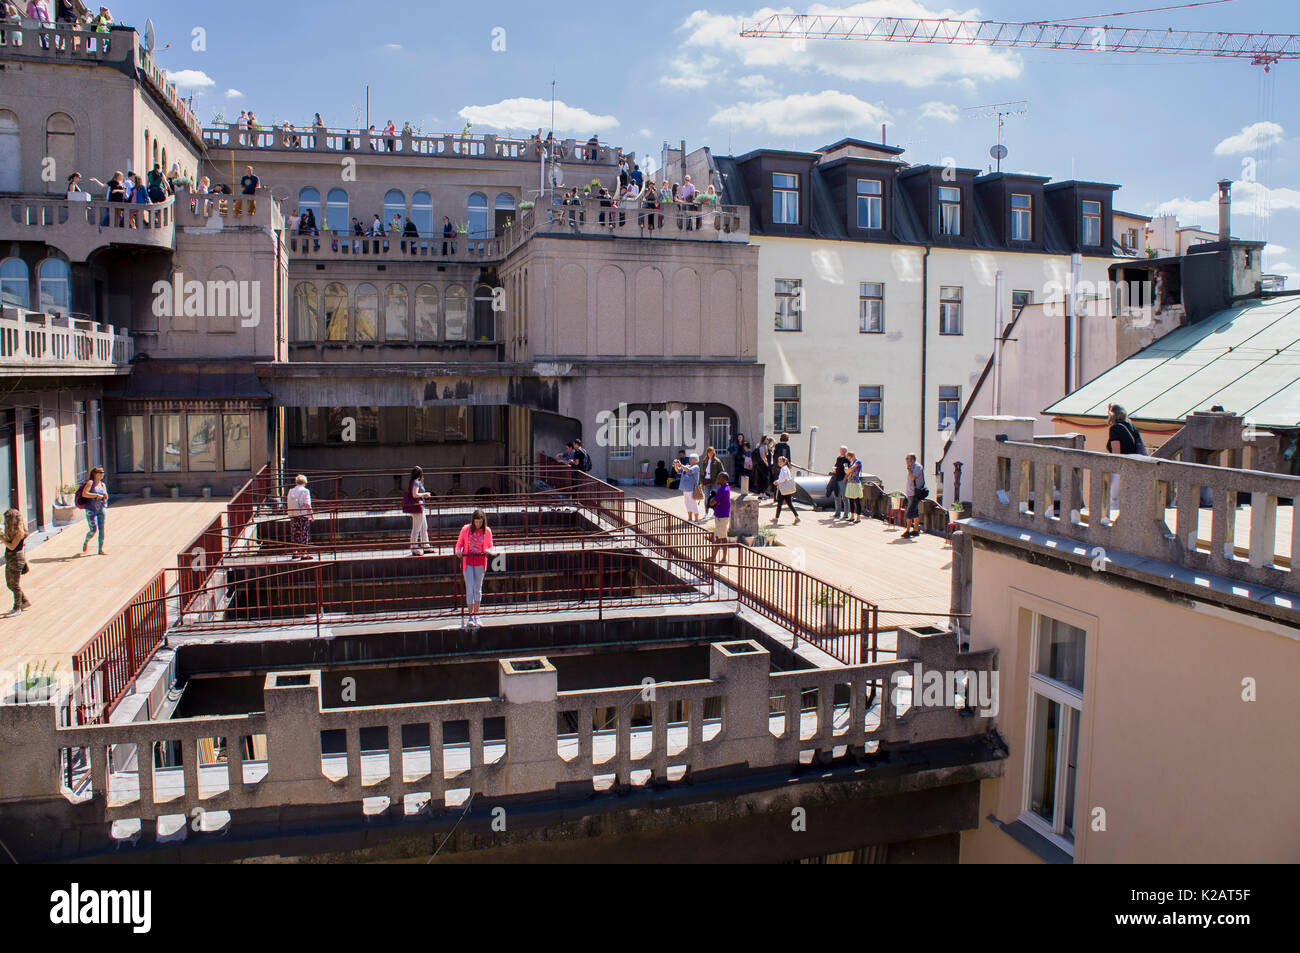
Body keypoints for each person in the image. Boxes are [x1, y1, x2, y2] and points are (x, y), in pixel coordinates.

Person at [454, 509, 494, 628]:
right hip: (468, 562)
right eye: (476, 522)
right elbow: (459, 543)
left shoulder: (487, 531)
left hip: (480, 563)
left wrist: (488, 551)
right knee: (470, 588)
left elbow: (490, 545)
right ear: (473, 521)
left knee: (478, 589)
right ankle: (470, 616)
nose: (478, 525)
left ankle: (477, 615)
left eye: (480, 522)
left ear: (483, 522)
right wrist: (458, 551)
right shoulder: (466, 529)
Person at [1106, 403, 1146, 515]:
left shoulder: (1115, 429)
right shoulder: (1132, 427)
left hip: (1122, 466)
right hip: (1135, 464)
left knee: (1114, 499)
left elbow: (1116, 452)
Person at [3, 508, 32, 617]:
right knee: (10, 584)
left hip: (16, 559)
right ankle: (25, 601)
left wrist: (2, 539)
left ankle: (17, 608)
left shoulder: (19, 532)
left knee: (14, 585)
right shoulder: (14, 530)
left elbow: (12, 546)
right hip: (11, 558)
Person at [77, 466, 108, 555]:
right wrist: (96, 495)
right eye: (100, 473)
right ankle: (86, 542)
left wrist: (105, 498)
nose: (102, 474)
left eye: (103, 472)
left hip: (101, 508)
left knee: (102, 529)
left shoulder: (102, 484)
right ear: (95, 474)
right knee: (93, 530)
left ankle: (100, 549)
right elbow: (84, 493)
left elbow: (105, 494)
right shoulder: (90, 483)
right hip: (90, 509)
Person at [403, 466, 432, 555]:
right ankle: (414, 548)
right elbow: (415, 494)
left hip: (419, 508)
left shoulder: (413, 482)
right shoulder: (416, 482)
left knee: (424, 527)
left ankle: (426, 546)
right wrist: (425, 494)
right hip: (417, 508)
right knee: (417, 528)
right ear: (420, 474)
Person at [286, 473, 314, 559]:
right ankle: (303, 554)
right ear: (305, 482)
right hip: (303, 515)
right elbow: (307, 504)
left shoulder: (291, 491)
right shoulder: (305, 491)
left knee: (295, 533)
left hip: (294, 514)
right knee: (304, 533)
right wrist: (312, 515)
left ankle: (295, 552)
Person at [707, 472, 732, 564]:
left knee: (723, 538)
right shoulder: (725, 487)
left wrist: (713, 502)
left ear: (724, 479)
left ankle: (724, 559)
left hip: (722, 516)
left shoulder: (723, 490)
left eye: (719, 478)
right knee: (718, 537)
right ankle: (713, 557)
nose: (717, 479)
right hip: (720, 515)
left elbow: (712, 502)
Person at [902, 453, 927, 539]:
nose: (906, 460)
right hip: (910, 493)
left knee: (909, 512)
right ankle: (916, 530)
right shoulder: (912, 467)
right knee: (915, 511)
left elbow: (913, 478)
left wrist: (908, 469)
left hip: (915, 493)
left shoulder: (917, 467)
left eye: (907, 458)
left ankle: (907, 530)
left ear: (912, 459)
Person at [772, 456, 801, 525]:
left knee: (780, 504)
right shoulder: (786, 468)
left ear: (784, 462)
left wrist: (777, 481)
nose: (779, 463)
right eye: (779, 462)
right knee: (789, 503)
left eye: (780, 462)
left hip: (783, 489)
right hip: (786, 489)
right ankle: (796, 516)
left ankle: (776, 518)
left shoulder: (783, 469)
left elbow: (783, 478)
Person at [674, 453, 702, 522]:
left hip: (692, 488)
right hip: (685, 488)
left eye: (691, 458)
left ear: (694, 460)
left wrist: (680, 465)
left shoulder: (696, 467)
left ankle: (696, 519)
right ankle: (689, 518)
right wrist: (676, 464)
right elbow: (678, 470)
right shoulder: (687, 465)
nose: (689, 459)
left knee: (693, 503)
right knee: (687, 503)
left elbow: (689, 471)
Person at [829, 444, 850, 520]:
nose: (842, 451)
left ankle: (846, 513)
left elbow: (847, 470)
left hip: (842, 480)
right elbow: (836, 467)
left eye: (843, 450)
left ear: (845, 451)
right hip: (836, 479)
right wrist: (834, 469)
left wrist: (845, 479)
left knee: (844, 497)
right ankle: (837, 512)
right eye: (841, 450)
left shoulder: (846, 459)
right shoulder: (838, 458)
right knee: (836, 496)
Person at [844, 450, 863, 524]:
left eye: (849, 457)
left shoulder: (858, 462)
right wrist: (847, 469)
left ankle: (858, 517)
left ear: (852, 456)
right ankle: (851, 516)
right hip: (850, 482)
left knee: (857, 500)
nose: (849, 459)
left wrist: (847, 469)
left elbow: (850, 470)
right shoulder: (852, 463)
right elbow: (847, 472)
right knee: (851, 500)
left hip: (855, 483)